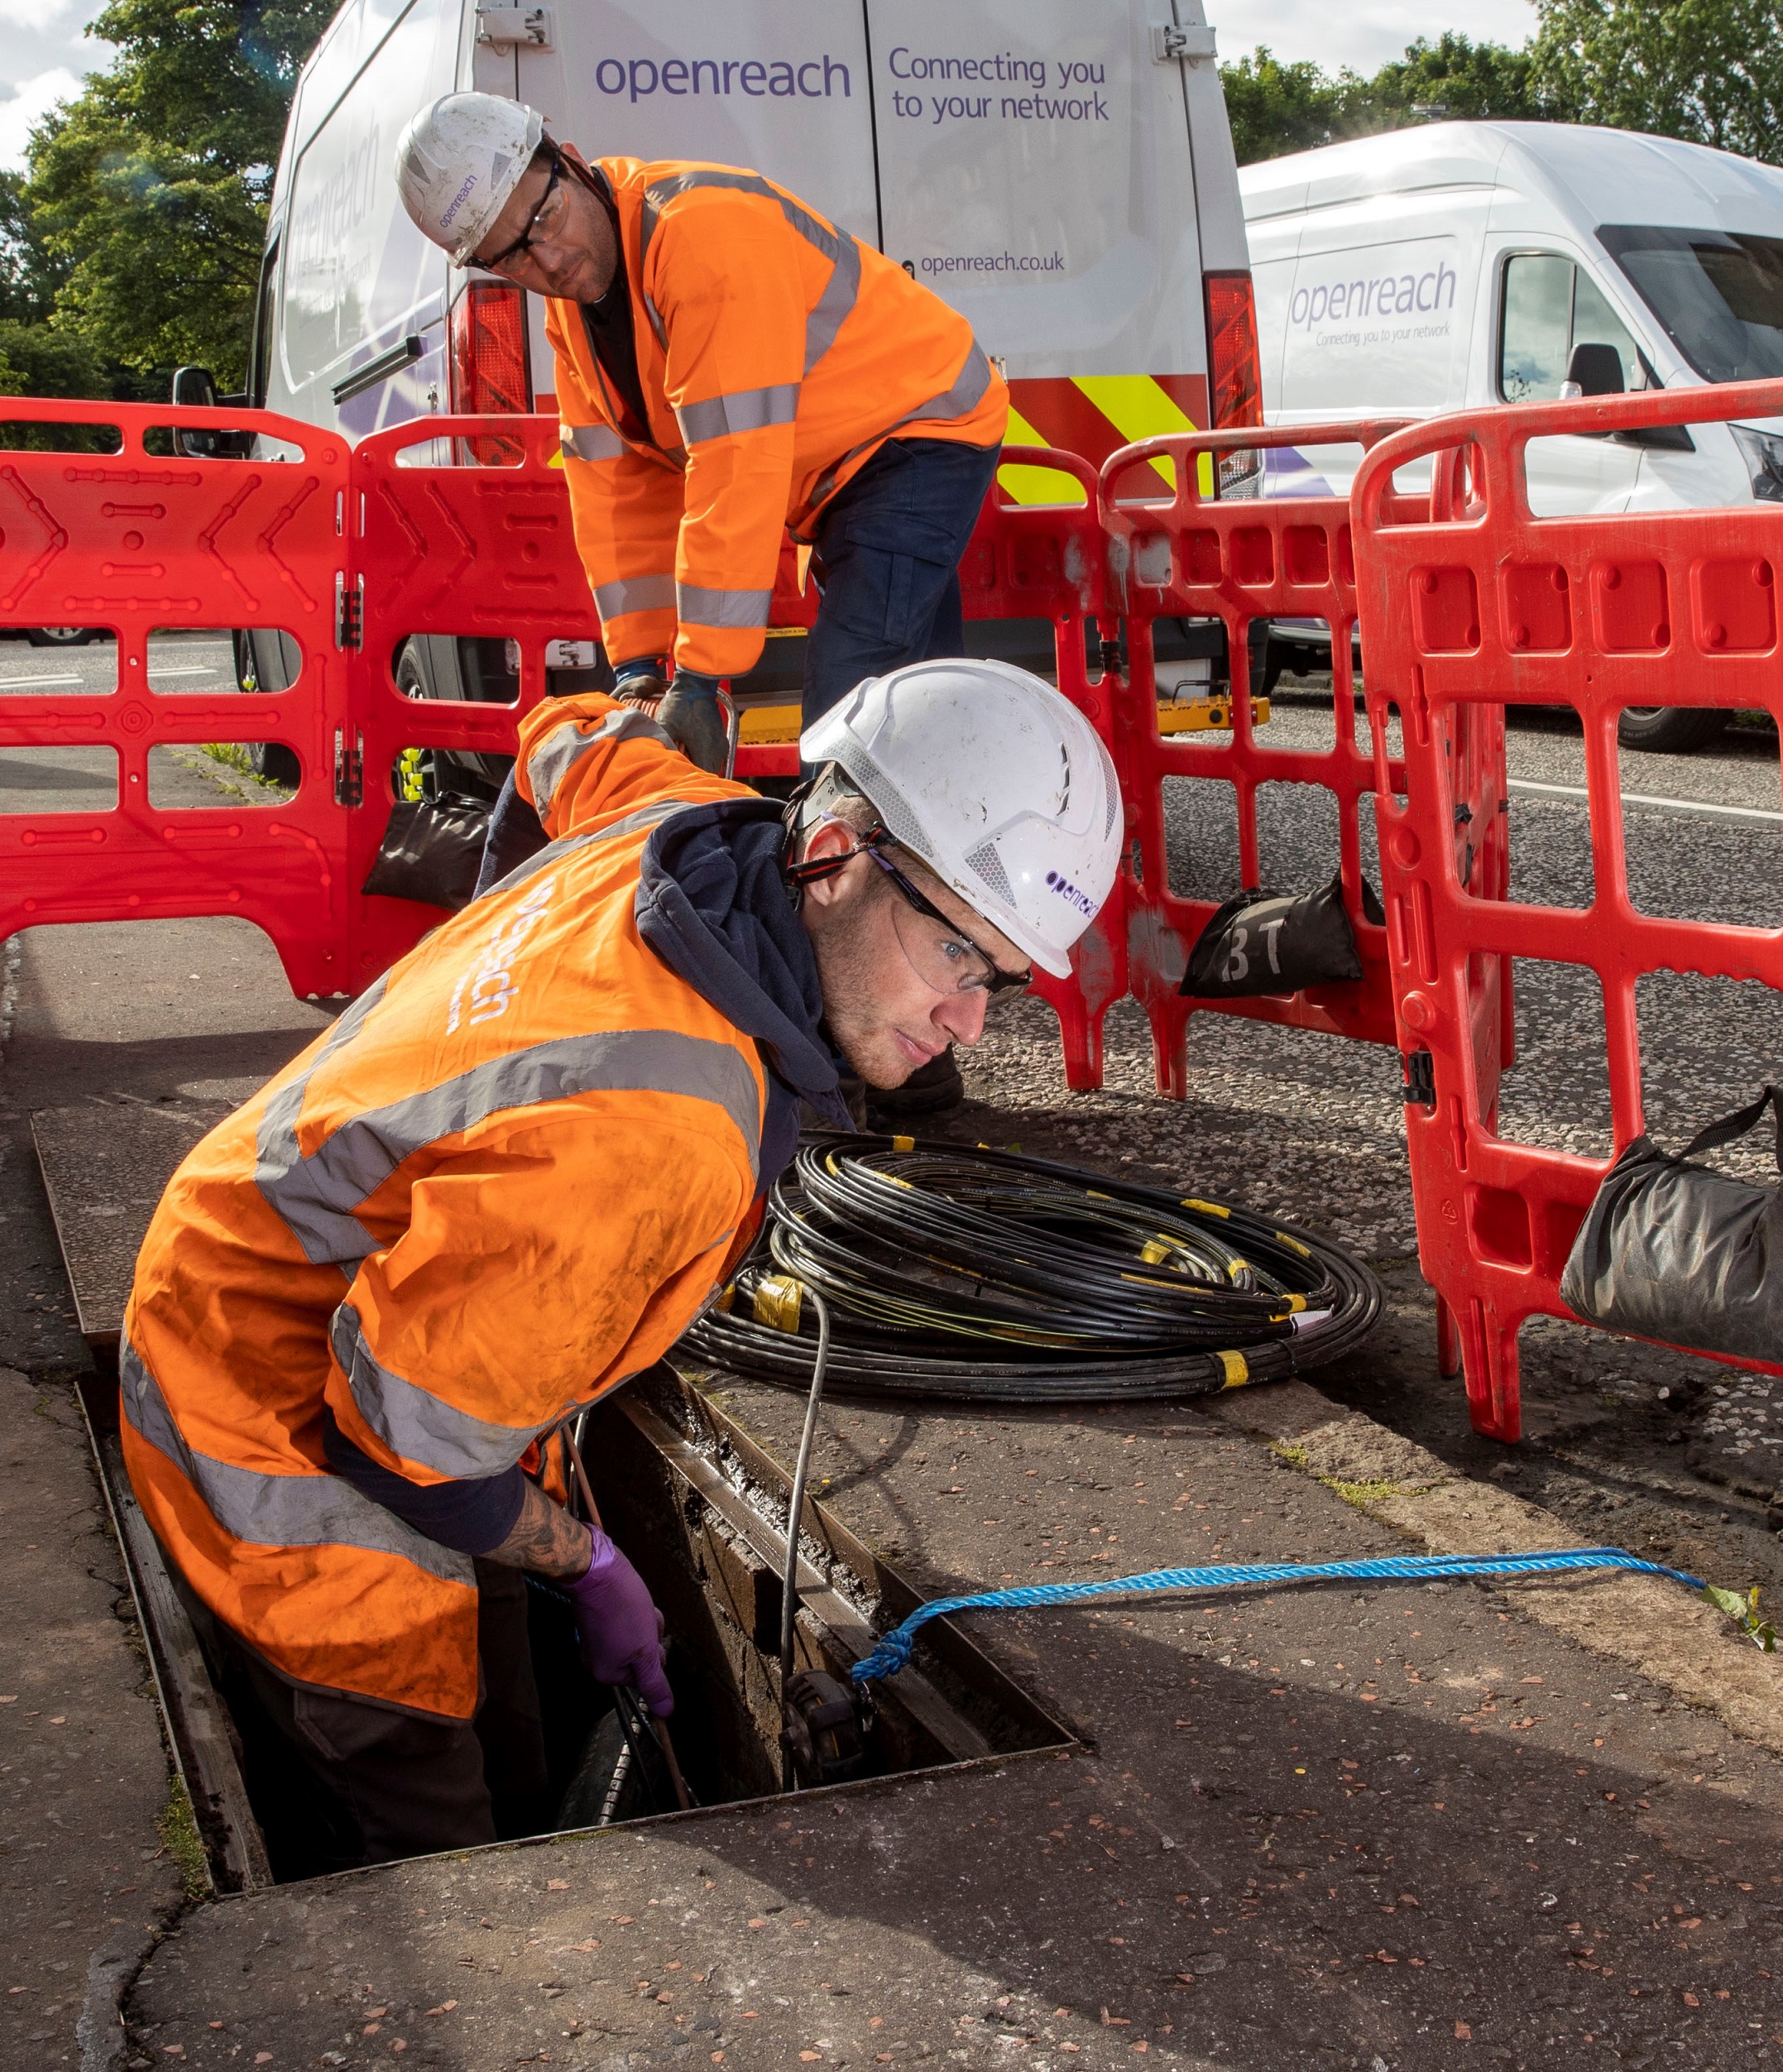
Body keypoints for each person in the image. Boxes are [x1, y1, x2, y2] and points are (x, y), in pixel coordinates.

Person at [116, 659, 1121, 1864]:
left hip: (309, 1259)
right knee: (428, 1802)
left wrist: (502, 915)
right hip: (254, 1405)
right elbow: (403, 1451)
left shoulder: (673, 813)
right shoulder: (658, 1132)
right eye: (960, 957)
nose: (971, 1021)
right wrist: (591, 1562)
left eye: (1001, 979)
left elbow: (568, 726)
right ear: (839, 850)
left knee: (511, 1681)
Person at [395, 91, 1008, 779]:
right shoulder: (574, 322)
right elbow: (618, 493)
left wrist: (699, 678)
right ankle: (950, 835)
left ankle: (858, 862)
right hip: (850, 464)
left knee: (845, 724)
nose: (552, 258)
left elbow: (735, 464)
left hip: (916, 430)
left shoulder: (700, 236)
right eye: (512, 256)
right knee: (917, 701)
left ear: (568, 161)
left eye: (546, 215)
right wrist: (640, 669)